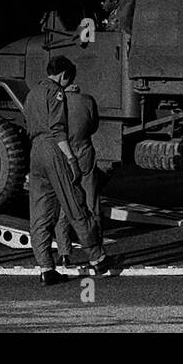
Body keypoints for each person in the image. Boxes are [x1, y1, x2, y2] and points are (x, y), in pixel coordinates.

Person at [23, 56, 112, 285]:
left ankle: (45, 268)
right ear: (63, 75)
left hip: (35, 152)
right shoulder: (57, 92)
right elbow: (58, 130)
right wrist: (70, 158)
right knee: (75, 203)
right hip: (54, 149)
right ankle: (97, 258)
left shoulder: (32, 93)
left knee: (40, 212)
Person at [54, 64, 101, 266]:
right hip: (84, 152)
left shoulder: (55, 103)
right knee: (91, 203)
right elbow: (94, 126)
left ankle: (64, 253)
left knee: (65, 204)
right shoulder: (87, 100)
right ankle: (96, 253)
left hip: (63, 154)